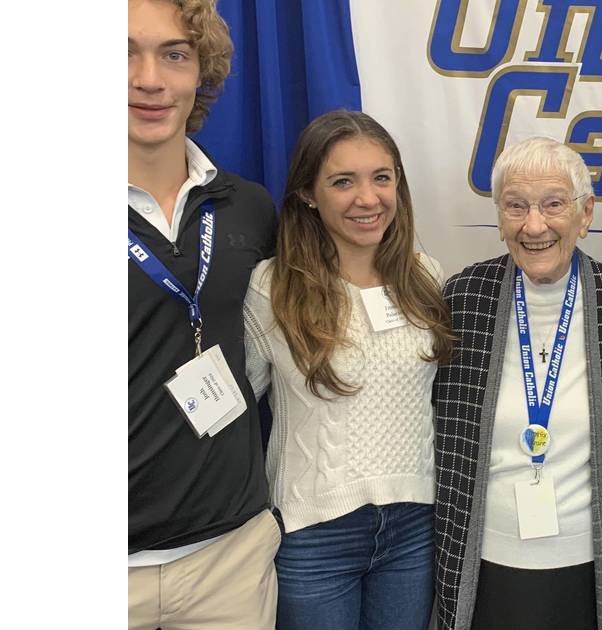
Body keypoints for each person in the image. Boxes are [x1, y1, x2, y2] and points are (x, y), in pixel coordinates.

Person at [242, 110, 455, 630]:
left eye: (381, 177)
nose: (368, 198)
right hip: (315, 532)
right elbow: (236, 409)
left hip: (414, 525)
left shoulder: (425, 276)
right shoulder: (272, 287)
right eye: (343, 182)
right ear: (308, 194)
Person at [432, 137, 602, 630]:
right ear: (499, 216)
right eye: (516, 206)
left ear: (585, 213)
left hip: (590, 561)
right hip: (483, 560)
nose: (534, 226)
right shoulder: (463, 298)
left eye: (553, 204)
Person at [127, 1, 280, 628]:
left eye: (174, 54)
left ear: (201, 70)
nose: (150, 79)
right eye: (122, 54)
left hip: (230, 557)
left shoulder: (247, 206)